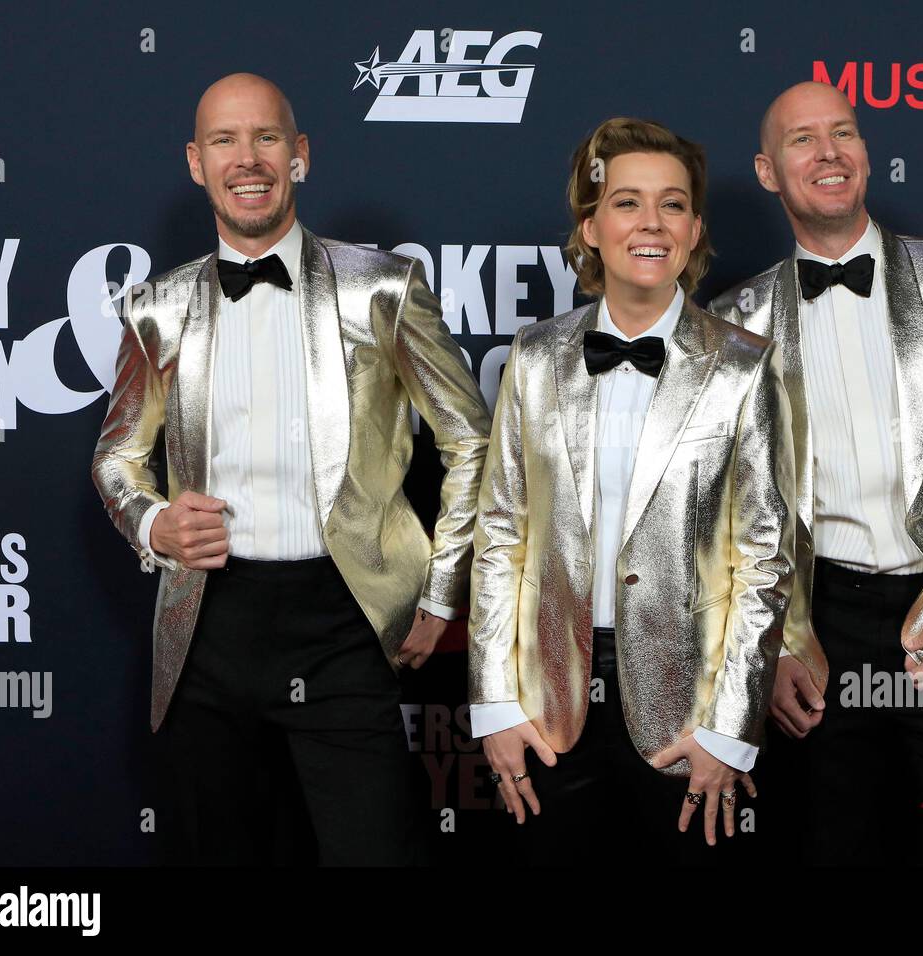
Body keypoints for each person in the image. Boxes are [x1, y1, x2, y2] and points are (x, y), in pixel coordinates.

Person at [90, 73, 490, 865]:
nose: (249, 159)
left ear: (299, 154)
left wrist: (443, 588)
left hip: (344, 623)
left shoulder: (382, 286)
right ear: (196, 163)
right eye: (224, 141)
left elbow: (471, 440)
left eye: (267, 137)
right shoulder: (155, 308)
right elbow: (115, 457)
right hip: (208, 624)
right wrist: (153, 521)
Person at [710, 81, 923, 865]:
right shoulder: (732, 322)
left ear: (865, 154)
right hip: (818, 627)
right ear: (767, 172)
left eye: (845, 133)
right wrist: (778, 643)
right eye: (802, 139)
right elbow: (728, 509)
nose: (829, 152)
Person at [467, 118, 795, 863]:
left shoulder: (745, 367)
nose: (651, 223)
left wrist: (729, 729)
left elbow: (766, 560)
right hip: (548, 705)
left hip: (692, 708)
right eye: (627, 203)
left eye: (673, 204)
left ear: (696, 227)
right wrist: (492, 703)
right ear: (590, 225)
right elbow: (501, 538)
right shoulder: (535, 356)